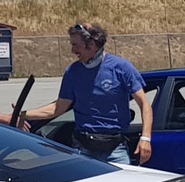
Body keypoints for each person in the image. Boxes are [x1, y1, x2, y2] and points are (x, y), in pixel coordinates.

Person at [24, 23, 152, 165]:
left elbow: (144, 104)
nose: (72, 50)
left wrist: (145, 138)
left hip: (115, 150)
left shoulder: (121, 68)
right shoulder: (73, 72)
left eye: (76, 45)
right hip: (83, 149)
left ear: (91, 44)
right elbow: (58, 108)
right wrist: (23, 114)